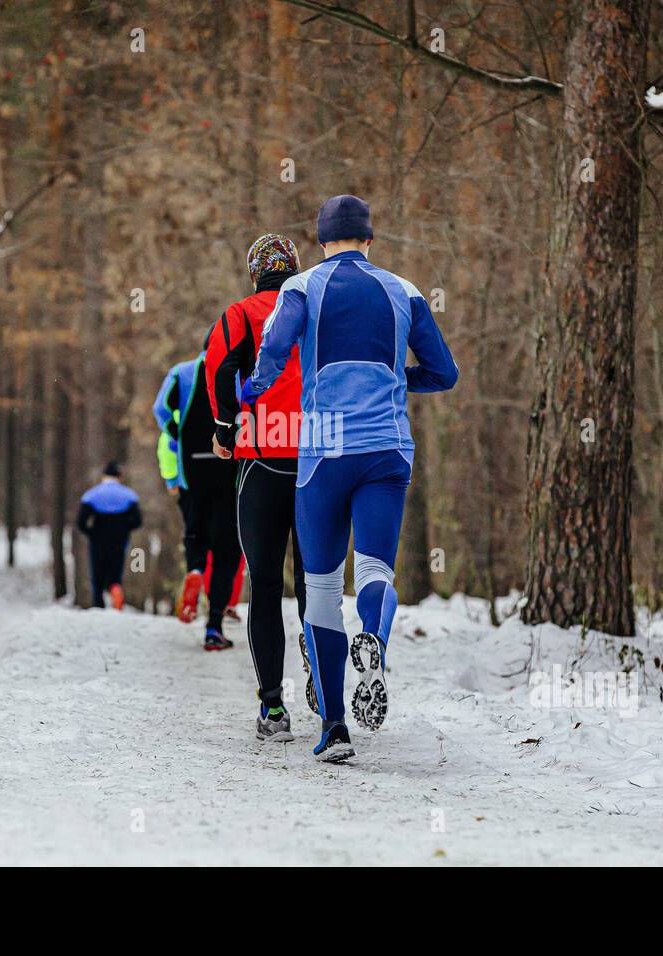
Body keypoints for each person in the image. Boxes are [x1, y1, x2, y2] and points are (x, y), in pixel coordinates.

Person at [243, 195, 458, 762]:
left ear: (319, 241)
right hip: (386, 448)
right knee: (376, 570)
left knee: (318, 588)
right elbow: (444, 372)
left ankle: (334, 727)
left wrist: (256, 389)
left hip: (323, 452)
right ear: (369, 238)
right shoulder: (403, 290)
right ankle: (375, 642)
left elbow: (275, 346)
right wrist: (395, 381)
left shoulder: (302, 288)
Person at [206, 233, 308, 743]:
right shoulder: (315, 305)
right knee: (319, 581)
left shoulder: (241, 314)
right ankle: (324, 682)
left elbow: (220, 367)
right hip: (317, 459)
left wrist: (225, 431)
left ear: (255, 273)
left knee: (265, 584)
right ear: (294, 266)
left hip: (262, 461)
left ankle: (273, 708)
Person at [152, 354, 242, 650]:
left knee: (196, 530)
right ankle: (214, 624)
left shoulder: (182, 372)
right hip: (229, 467)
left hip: (191, 468)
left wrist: (178, 433)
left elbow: (161, 408)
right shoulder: (239, 370)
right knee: (227, 549)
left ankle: (195, 569)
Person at [75, 461, 143, 610]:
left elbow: (80, 522)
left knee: (97, 573)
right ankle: (115, 589)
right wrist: (125, 529)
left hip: (98, 537)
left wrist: (91, 533)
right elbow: (138, 521)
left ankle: (98, 605)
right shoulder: (129, 495)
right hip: (120, 537)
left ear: (104, 475)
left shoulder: (91, 495)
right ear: (119, 476)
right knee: (115, 570)